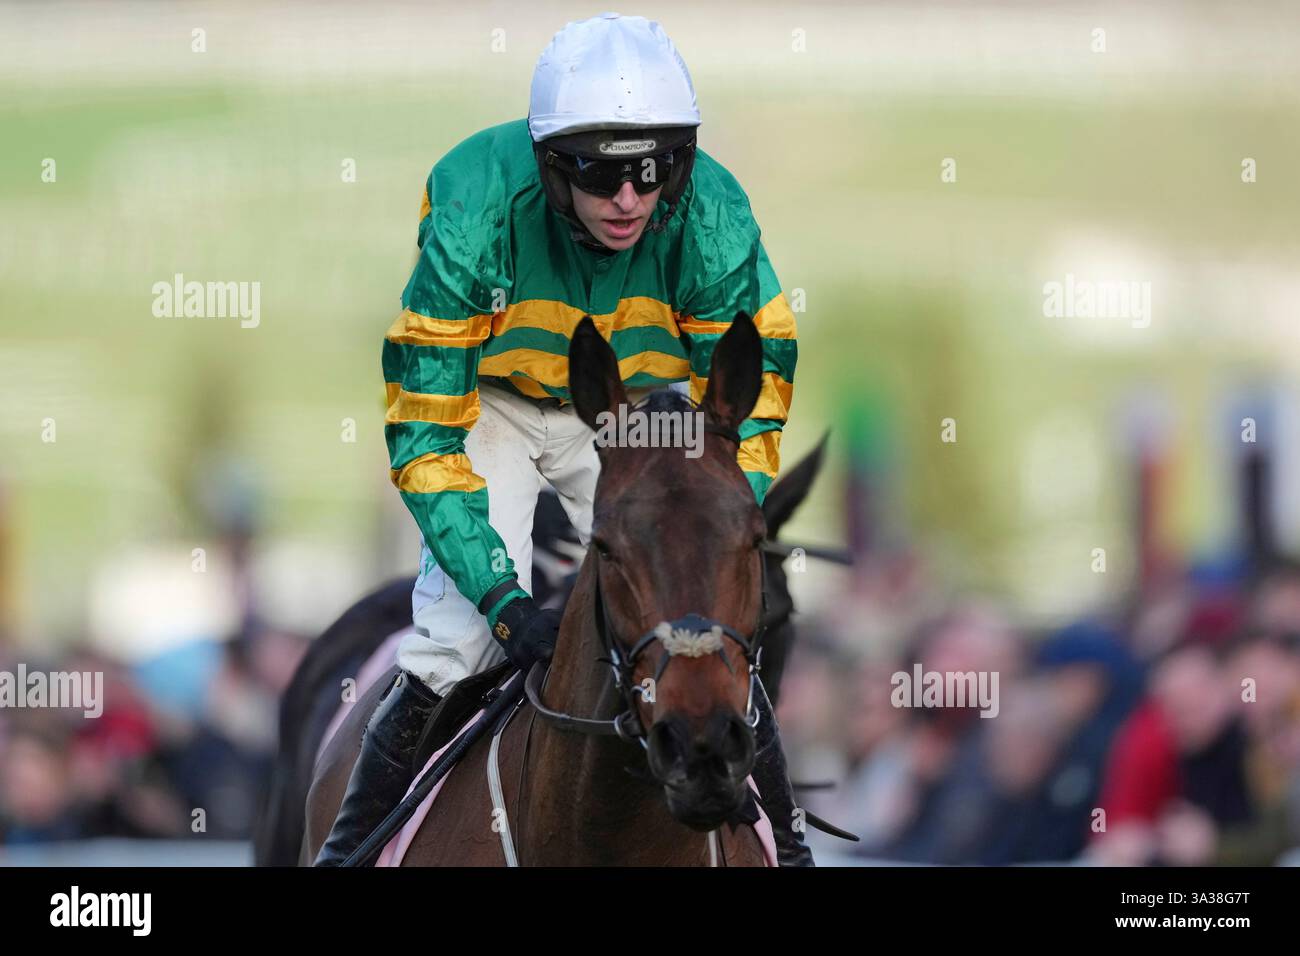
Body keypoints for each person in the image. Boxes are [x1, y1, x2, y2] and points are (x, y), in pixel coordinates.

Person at [316, 13, 805, 865]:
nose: (628, 200)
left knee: (712, 628)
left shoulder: (714, 212)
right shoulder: (472, 202)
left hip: (635, 416)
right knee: (455, 642)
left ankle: (789, 848)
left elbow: (751, 404)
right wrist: (504, 605)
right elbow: (427, 435)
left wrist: (727, 519)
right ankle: (345, 853)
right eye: (600, 175)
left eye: (649, 176)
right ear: (551, 167)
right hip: (490, 403)